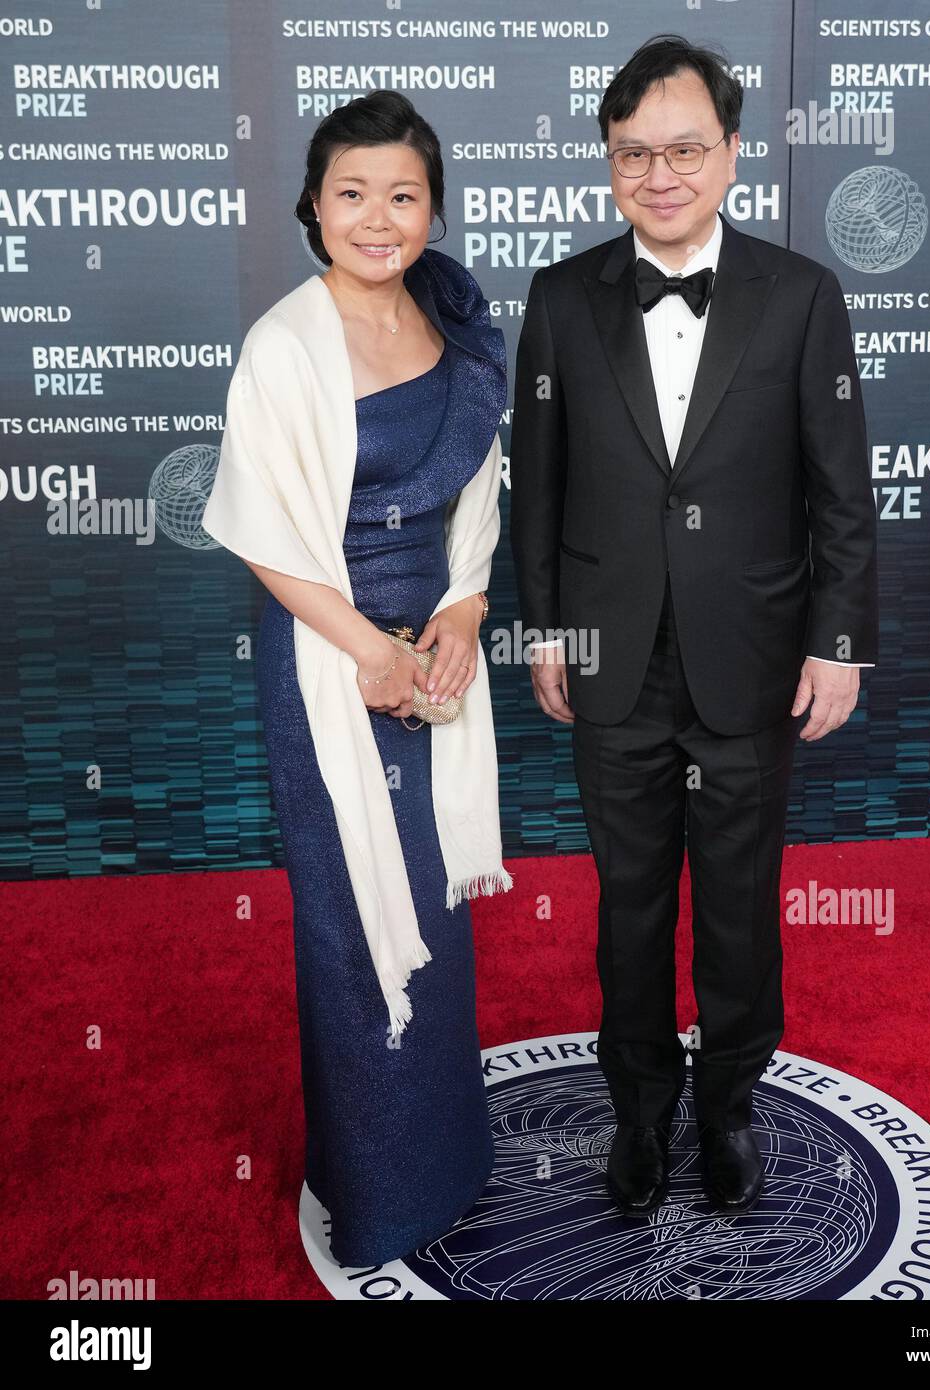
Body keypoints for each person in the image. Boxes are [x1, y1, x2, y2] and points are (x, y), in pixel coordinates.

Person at [509, 35, 878, 1218]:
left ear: (729, 154)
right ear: (608, 163)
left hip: (752, 656)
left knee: (735, 900)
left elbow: (840, 490)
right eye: (632, 153)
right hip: (610, 658)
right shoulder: (562, 298)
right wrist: (544, 630)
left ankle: (726, 1109)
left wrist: (837, 640)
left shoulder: (802, 293)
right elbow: (540, 482)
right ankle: (637, 1113)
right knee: (627, 903)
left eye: (683, 148)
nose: (658, 174)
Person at [201, 92, 512, 1266]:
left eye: (402, 194)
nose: (377, 218)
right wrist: (370, 653)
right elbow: (270, 535)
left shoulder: (452, 315)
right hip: (331, 660)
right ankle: (378, 1194)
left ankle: (447, 1157)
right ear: (312, 209)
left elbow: (478, 485)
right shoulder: (284, 343)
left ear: (430, 209)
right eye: (351, 194)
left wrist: (463, 606)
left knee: (430, 902)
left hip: (434, 651)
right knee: (349, 921)